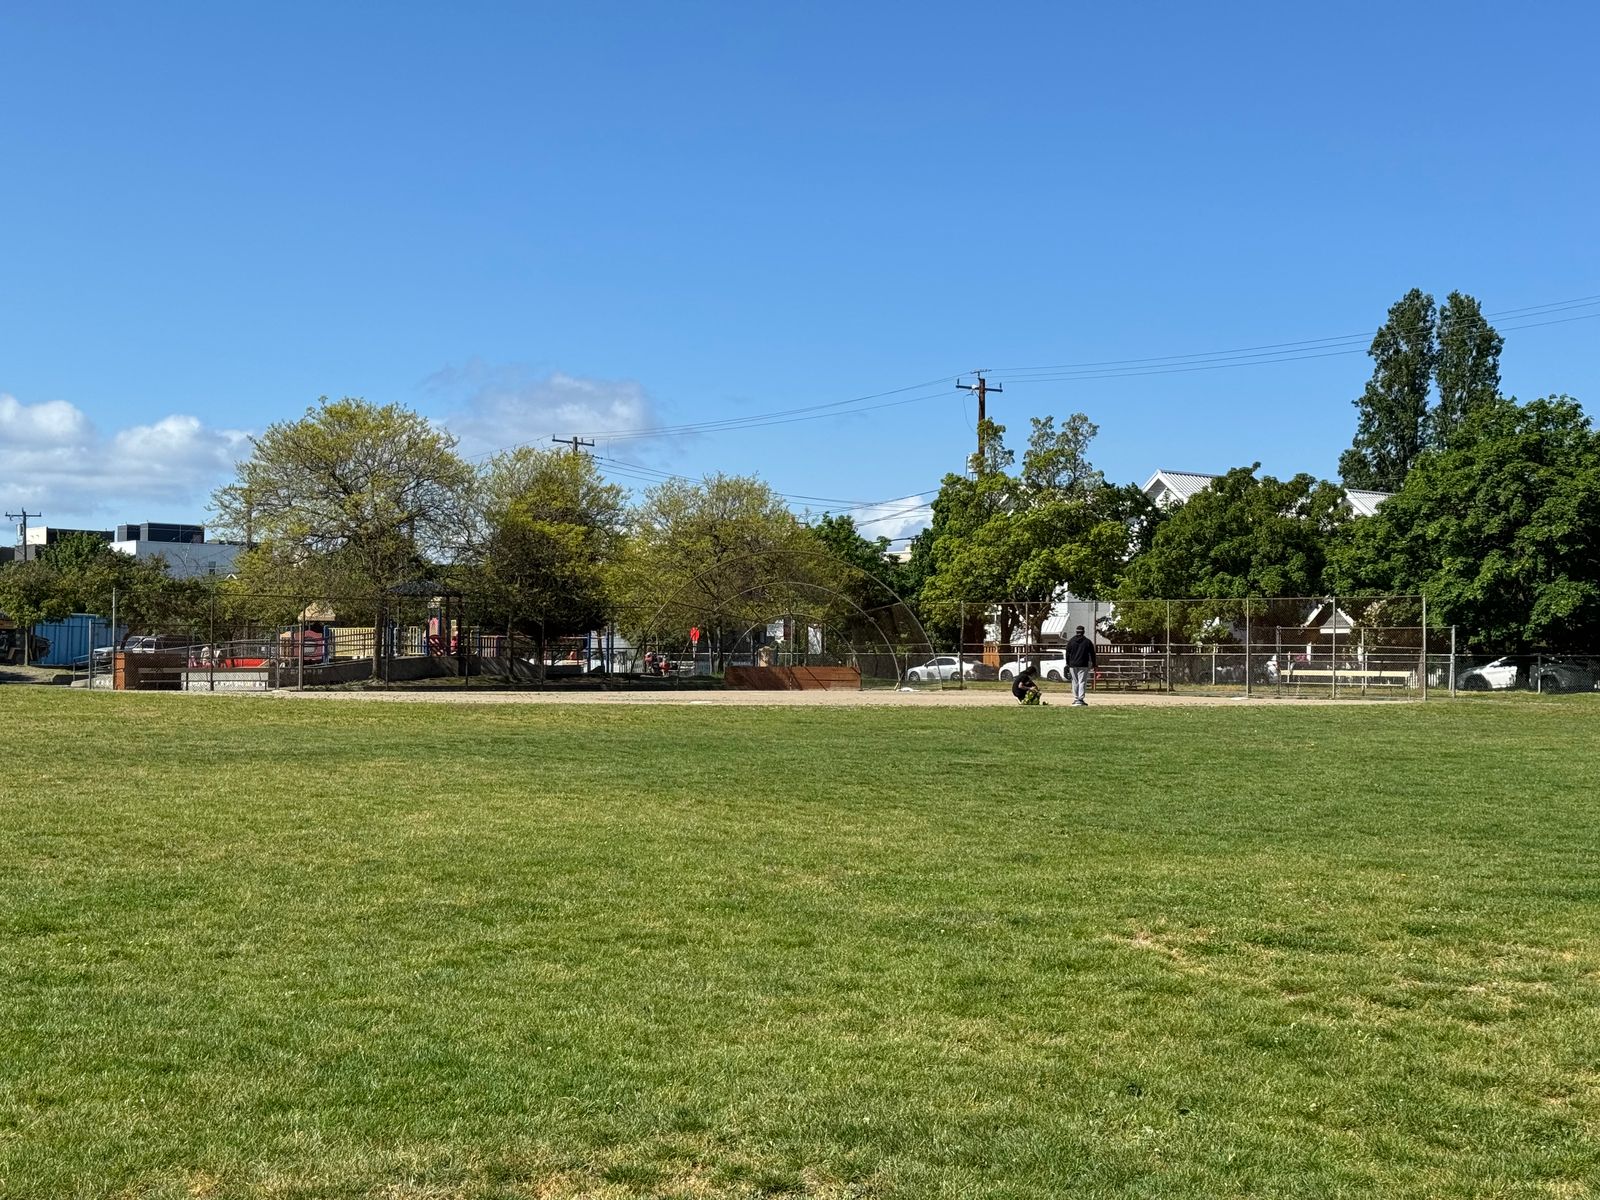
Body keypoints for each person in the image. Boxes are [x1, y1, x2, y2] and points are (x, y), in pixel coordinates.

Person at [1064, 624, 1097, 706]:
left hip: (1073, 664)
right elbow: (1092, 654)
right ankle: (1080, 699)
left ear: (1076, 632)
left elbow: (1067, 653)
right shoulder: (1087, 642)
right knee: (1082, 681)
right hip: (1083, 664)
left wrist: (1067, 663)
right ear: (1083, 632)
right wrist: (1094, 664)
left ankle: (1076, 698)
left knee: (1074, 681)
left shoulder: (1071, 641)